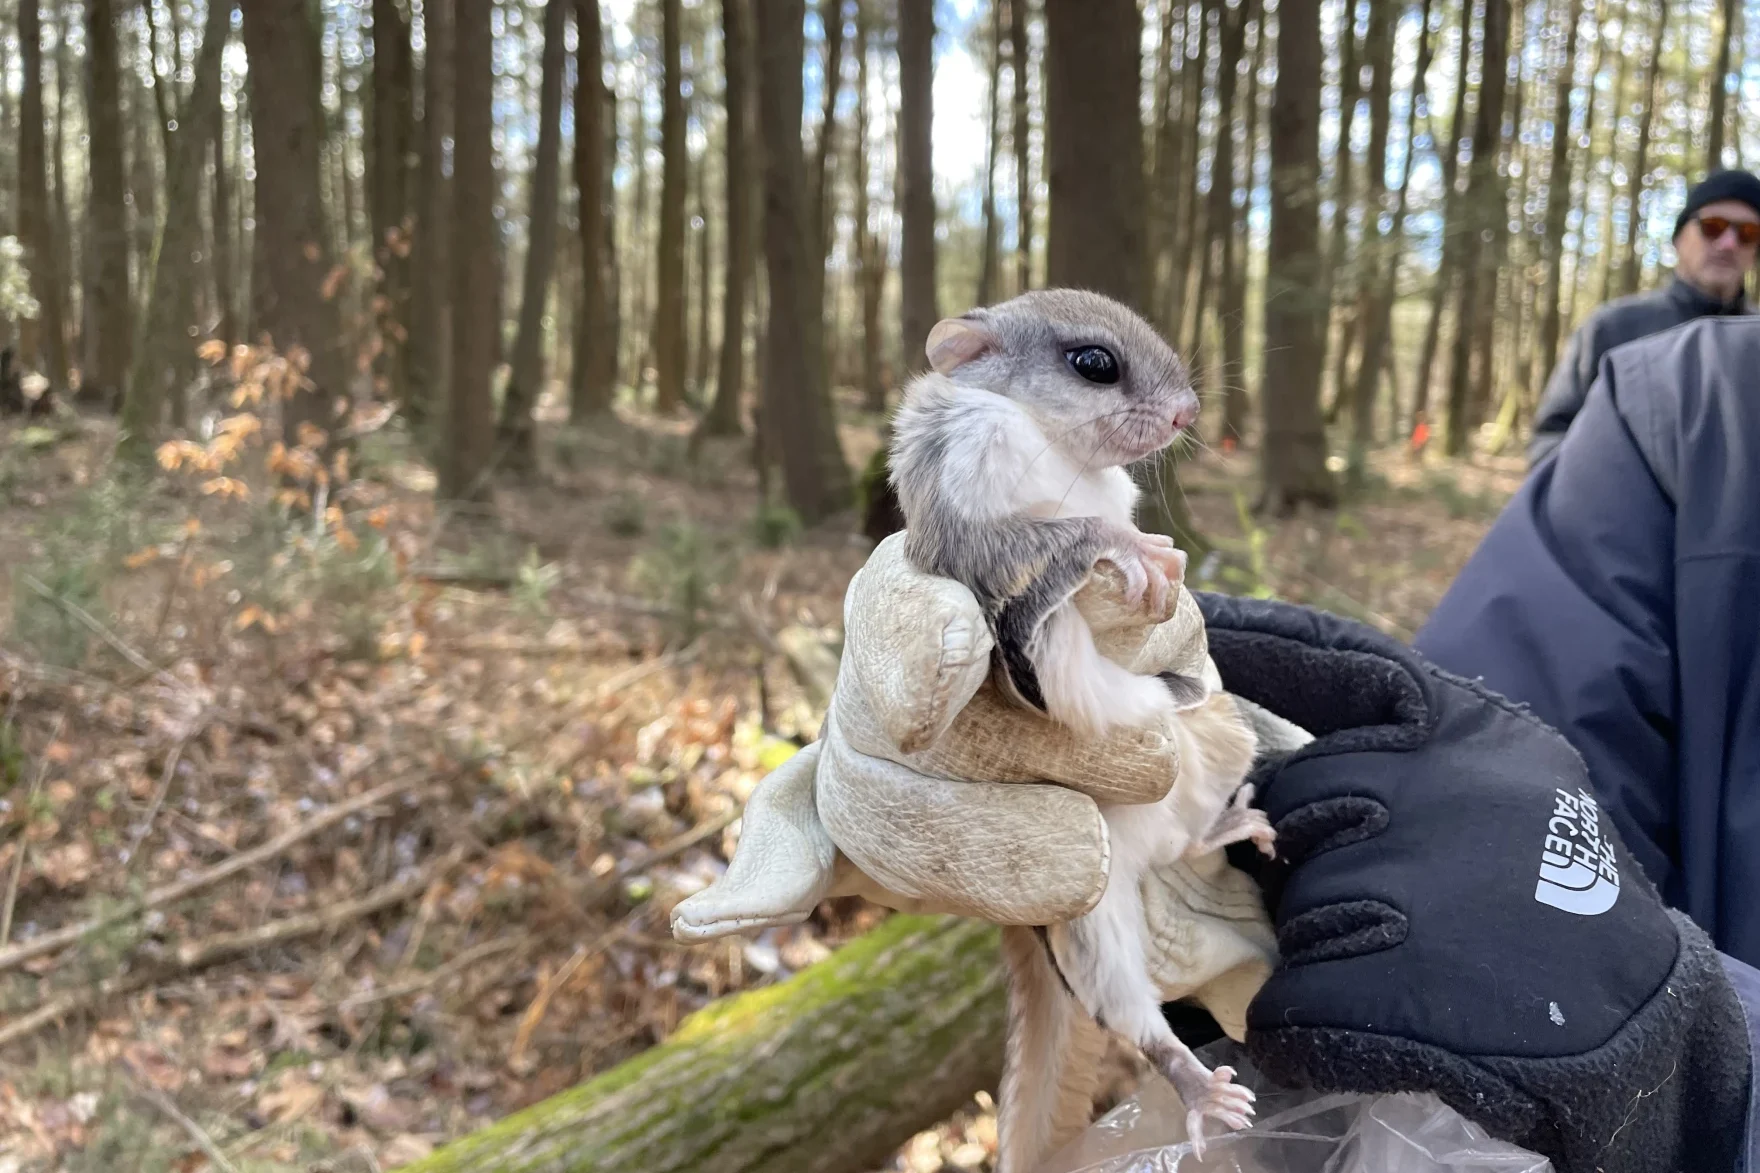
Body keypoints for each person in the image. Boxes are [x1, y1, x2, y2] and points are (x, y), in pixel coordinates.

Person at [1527, 168, 1760, 466]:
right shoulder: (1613, 328)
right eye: (1713, 226)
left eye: (1748, 233)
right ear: (1679, 237)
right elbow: (1550, 444)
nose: (1728, 244)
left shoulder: (1755, 340)